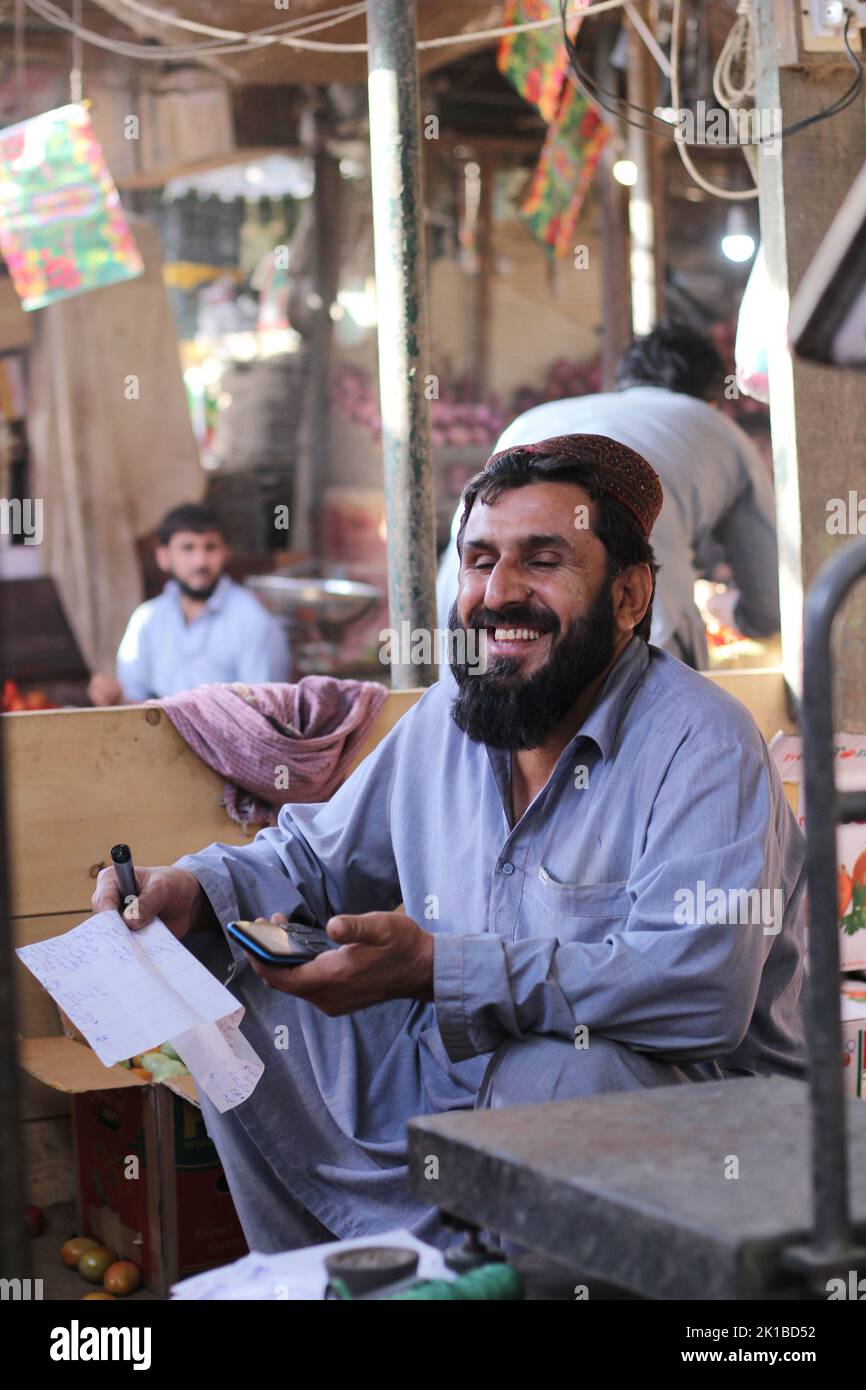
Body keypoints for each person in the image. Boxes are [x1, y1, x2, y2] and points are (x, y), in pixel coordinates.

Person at [92, 435, 805, 1253]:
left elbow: (702, 994)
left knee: (562, 1072)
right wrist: (191, 886)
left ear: (630, 594)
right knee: (229, 989)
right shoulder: (449, 719)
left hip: (701, 1128)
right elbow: (311, 865)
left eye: (543, 561)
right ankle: (326, 1274)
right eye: (477, 561)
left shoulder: (703, 744)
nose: (498, 594)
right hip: (472, 1080)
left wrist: (441, 969)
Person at [436, 321, 780, 669]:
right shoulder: (720, 429)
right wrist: (724, 609)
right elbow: (769, 600)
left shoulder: (534, 419)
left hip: (470, 621)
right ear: (712, 400)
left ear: (624, 385)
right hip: (633, 634)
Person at [88, 503, 291, 705]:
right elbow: (134, 700)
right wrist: (114, 699)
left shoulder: (253, 620)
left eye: (210, 548)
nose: (200, 562)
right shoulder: (147, 619)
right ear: (163, 557)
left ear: (225, 553)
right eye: (187, 548)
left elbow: (265, 713)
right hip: (155, 735)